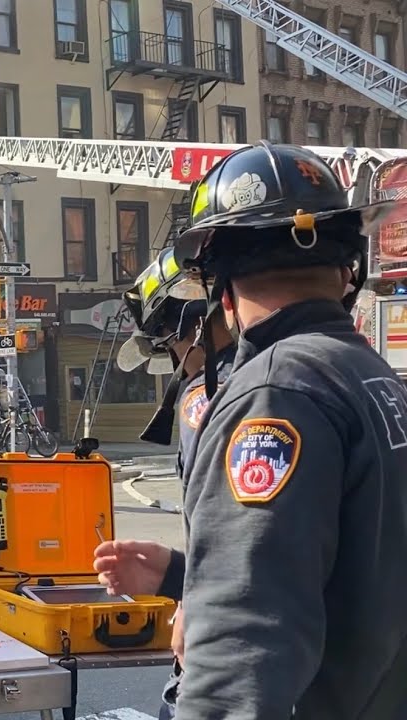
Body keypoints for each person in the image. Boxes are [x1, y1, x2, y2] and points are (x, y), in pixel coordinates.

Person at [174, 142, 404, 717]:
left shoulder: (276, 393)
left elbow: (243, 641)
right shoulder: (371, 377)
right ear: (347, 271)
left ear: (223, 289)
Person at [97, 246, 237, 719]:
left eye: (168, 343)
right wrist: (177, 574)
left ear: (191, 327)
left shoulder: (212, 393)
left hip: (226, 641)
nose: (175, 359)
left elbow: (225, 526)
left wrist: (193, 601)